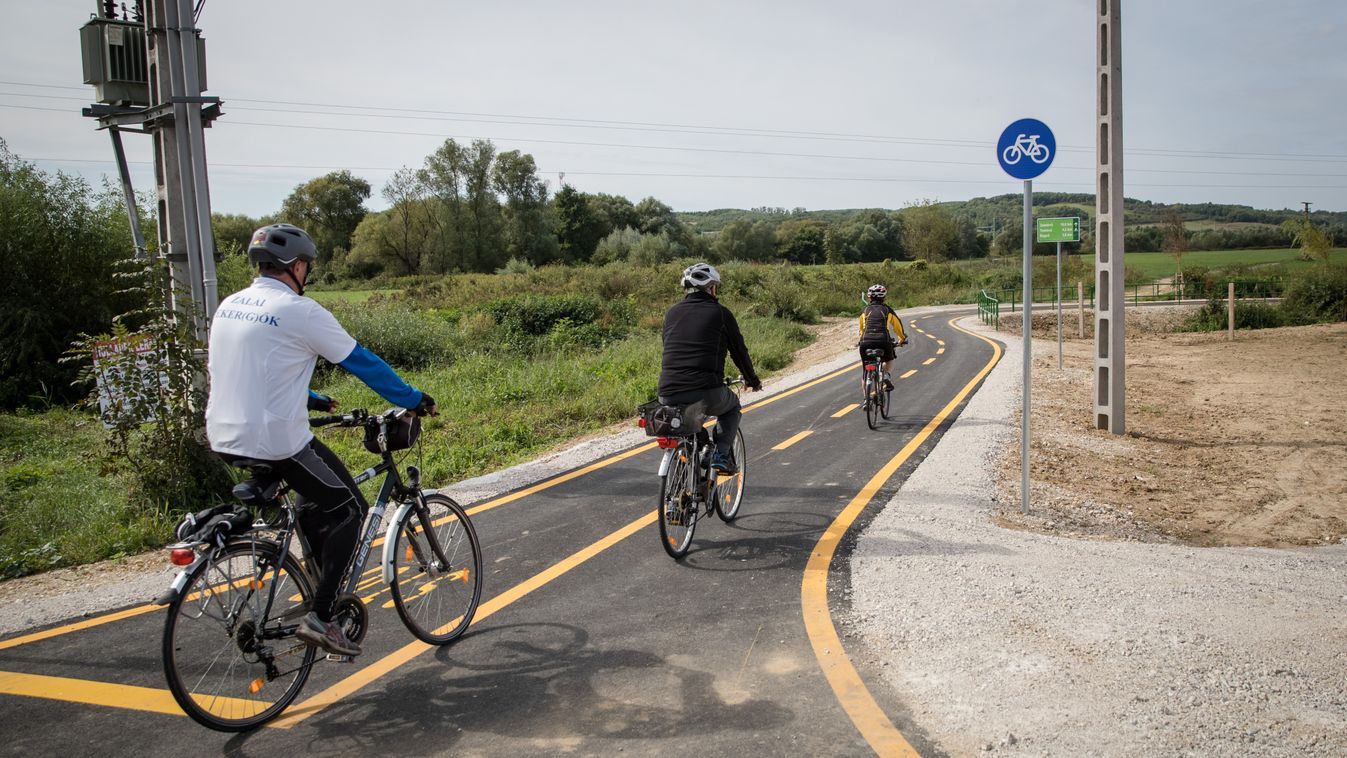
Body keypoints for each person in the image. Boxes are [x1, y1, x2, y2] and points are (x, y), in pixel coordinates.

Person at [205, 223, 437, 658]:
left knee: (316, 501)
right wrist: (413, 398)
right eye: (306, 265)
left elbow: (250, 365)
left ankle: (314, 581)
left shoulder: (230, 306)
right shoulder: (300, 310)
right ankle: (323, 617)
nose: (307, 273)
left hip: (223, 436)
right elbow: (362, 362)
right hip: (276, 440)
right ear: (295, 266)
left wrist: (310, 396)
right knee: (351, 508)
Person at [657, 263, 762, 475]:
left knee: (690, 424)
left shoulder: (671, 314)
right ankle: (721, 455)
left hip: (667, 393)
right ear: (711, 288)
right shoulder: (721, 314)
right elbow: (739, 351)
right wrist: (752, 380)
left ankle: (689, 474)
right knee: (732, 408)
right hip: (706, 391)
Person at [857, 284, 908, 392]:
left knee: (865, 372)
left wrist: (861, 340)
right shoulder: (888, 310)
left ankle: (866, 399)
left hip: (865, 342)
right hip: (883, 341)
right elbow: (898, 326)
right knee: (889, 360)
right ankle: (885, 375)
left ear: (869, 297)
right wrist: (902, 339)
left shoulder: (864, 310)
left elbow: (861, 329)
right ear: (884, 297)